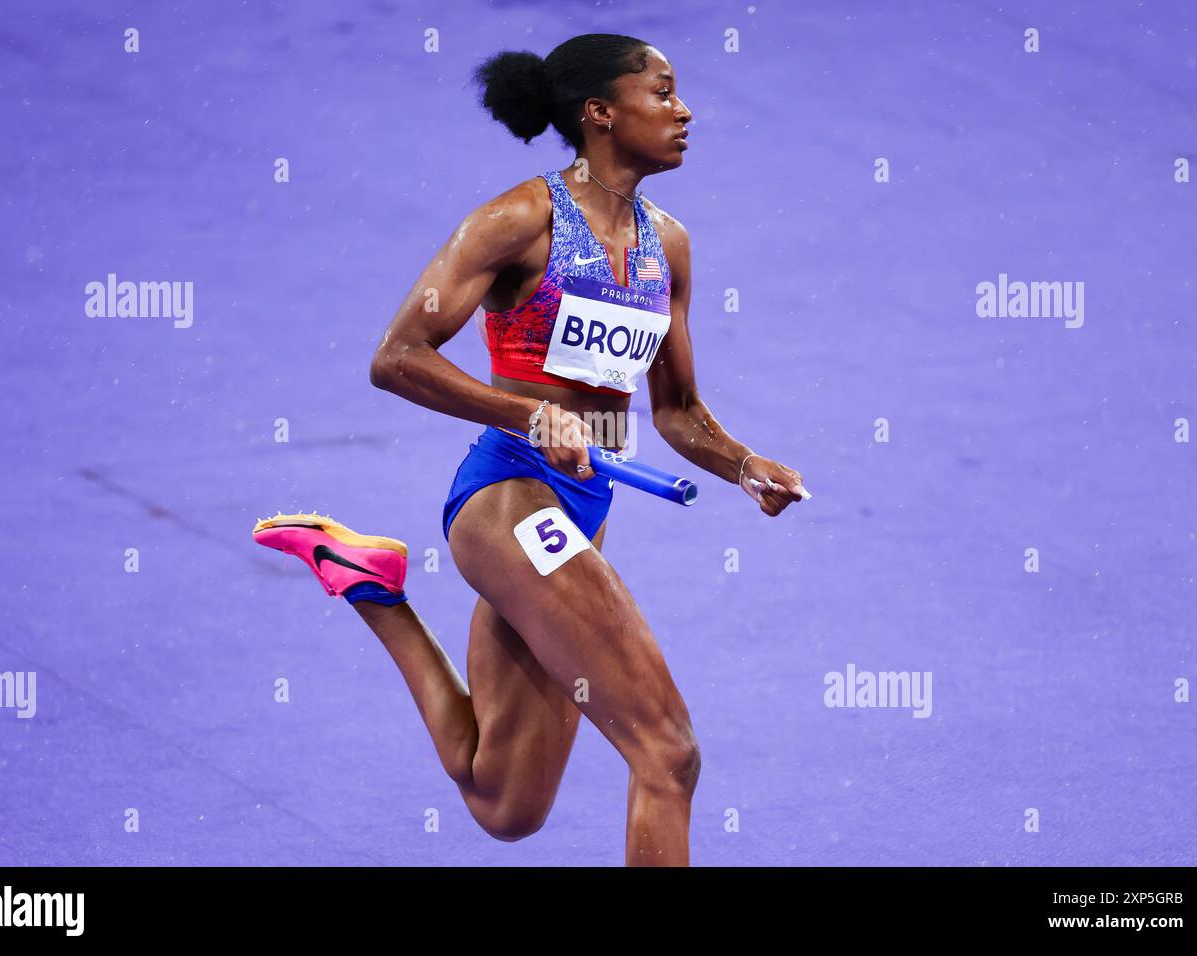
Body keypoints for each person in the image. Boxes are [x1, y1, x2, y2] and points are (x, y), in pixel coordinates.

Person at [253, 33, 807, 866]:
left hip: (585, 509)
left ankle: (372, 589)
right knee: (668, 753)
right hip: (509, 498)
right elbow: (397, 357)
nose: (683, 109)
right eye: (660, 92)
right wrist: (523, 414)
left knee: (505, 804)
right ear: (600, 114)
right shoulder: (519, 221)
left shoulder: (670, 247)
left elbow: (678, 410)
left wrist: (743, 464)